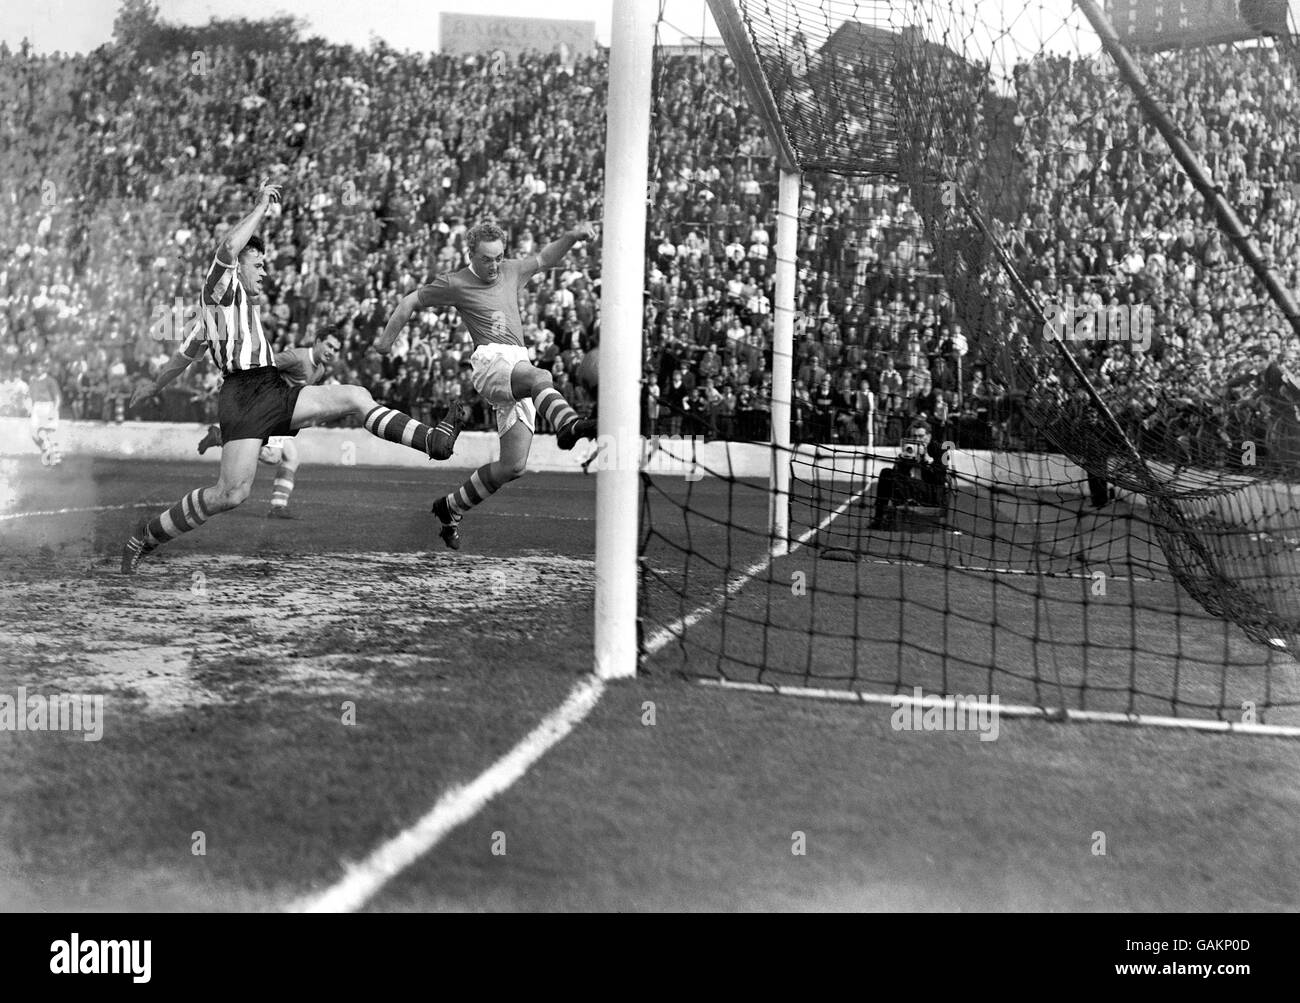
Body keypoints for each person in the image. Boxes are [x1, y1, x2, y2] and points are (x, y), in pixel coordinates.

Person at [121, 181, 461, 574]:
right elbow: (227, 250)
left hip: (271, 387)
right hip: (242, 396)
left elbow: (181, 358)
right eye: (259, 265)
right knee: (230, 494)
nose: (265, 273)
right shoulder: (218, 290)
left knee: (355, 395)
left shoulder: (222, 314)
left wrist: (154, 385)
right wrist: (262, 203)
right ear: (239, 267)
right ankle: (144, 537)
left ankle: (432, 441)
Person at [376, 220, 599, 549]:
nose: (494, 265)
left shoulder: (511, 271)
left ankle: (450, 508)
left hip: (517, 363)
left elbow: (545, 258)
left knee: (514, 466)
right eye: (486, 259)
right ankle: (568, 423)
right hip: (491, 361)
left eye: (498, 257)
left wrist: (571, 236)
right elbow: (409, 301)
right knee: (542, 377)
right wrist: (384, 344)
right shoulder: (455, 282)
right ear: (471, 254)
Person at [194, 325, 377, 519]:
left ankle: (278, 507)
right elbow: (264, 365)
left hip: (280, 418)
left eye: (336, 349)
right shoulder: (297, 358)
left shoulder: (320, 370)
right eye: (329, 346)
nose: (331, 352)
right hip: (263, 411)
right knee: (275, 457)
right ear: (317, 342)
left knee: (290, 457)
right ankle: (222, 438)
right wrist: (234, 380)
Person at [868, 419, 948, 530]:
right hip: (909, 489)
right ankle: (878, 517)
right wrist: (903, 461)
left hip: (930, 492)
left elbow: (939, 479)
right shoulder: (909, 448)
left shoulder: (942, 451)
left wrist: (927, 460)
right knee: (886, 473)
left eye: (921, 436)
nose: (917, 439)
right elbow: (898, 476)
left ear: (929, 436)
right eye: (914, 436)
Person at [28, 359, 63, 466]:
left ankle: (54, 460)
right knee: (34, 433)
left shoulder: (50, 381)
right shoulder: (33, 381)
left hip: (48, 406)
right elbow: (31, 396)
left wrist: (54, 411)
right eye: (36, 366)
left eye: (40, 366)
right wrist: (30, 407)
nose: (37, 368)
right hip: (36, 407)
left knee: (47, 433)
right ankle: (47, 452)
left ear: (44, 368)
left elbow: (57, 397)